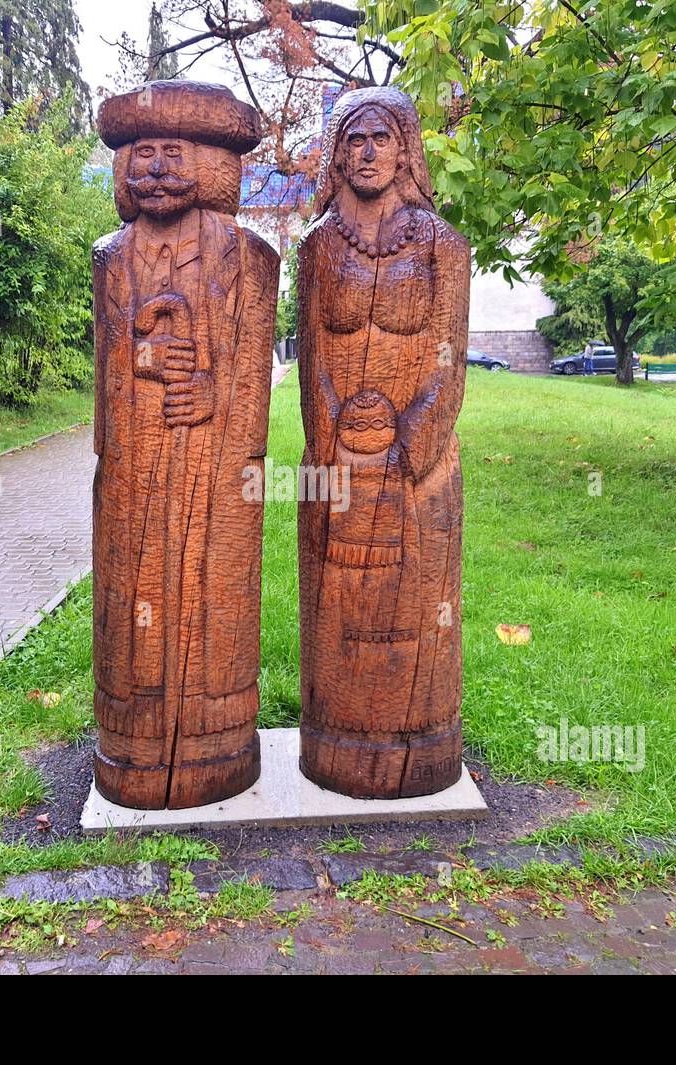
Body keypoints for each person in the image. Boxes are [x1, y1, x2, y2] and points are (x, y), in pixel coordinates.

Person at [90, 82, 279, 809]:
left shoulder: (247, 257)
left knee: (212, 584)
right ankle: (135, 736)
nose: (156, 169)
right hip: (136, 463)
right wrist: (140, 360)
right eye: (141, 154)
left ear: (210, 163)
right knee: (134, 585)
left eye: (174, 153)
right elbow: (107, 374)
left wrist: (216, 396)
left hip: (214, 465)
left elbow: (256, 373)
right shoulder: (113, 259)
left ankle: (217, 733)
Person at [296, 87, 470, 798]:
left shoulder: (443, 247)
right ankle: (333, 736)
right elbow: (310, 357)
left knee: (415, 616)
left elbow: (448, 359)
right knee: (337, 613)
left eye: (380, 138)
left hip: (418, 468)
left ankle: (416, 744)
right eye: (354, 140)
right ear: (338, 154)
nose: (366, 152)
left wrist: (406, 450)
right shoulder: (315, 247)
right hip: (335, 462)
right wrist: (336, 444)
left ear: (406, 150)